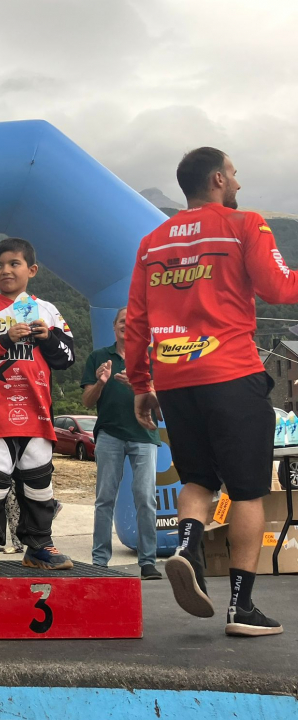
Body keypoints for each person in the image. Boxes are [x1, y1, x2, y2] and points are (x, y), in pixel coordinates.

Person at [127, 147, 298, 637]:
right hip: (232, 372)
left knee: (198, 480)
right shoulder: (244, 224)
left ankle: (186, 548)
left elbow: (136, 319)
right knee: (248, 491)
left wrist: (141, 384)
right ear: (218, 179)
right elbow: (279, 288)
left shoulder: (152, 241)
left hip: (174, 380)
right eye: (235, 175)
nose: (239, 184)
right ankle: (241, 607)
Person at [0, 237, 76, 571]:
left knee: (39, 482)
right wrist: (3, 339)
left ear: (32, 270)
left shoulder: (47, 310)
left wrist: (48, 338)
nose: (5, 270)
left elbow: (68, 356)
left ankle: (39, 545)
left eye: (14, 264)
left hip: (37, 410)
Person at [81, 307, 162, 580]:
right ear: (114, 326)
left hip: (145, 435)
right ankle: (100, 562)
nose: (128, 325)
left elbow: (162, 407)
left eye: (134, 321)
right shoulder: (98, 357)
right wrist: (100, 383)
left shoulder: (152, 358)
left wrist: (138, 386)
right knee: (105, 499)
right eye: (123, 321)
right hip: (109, 434)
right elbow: (87, 401)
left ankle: (147, 562)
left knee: (146, 498)